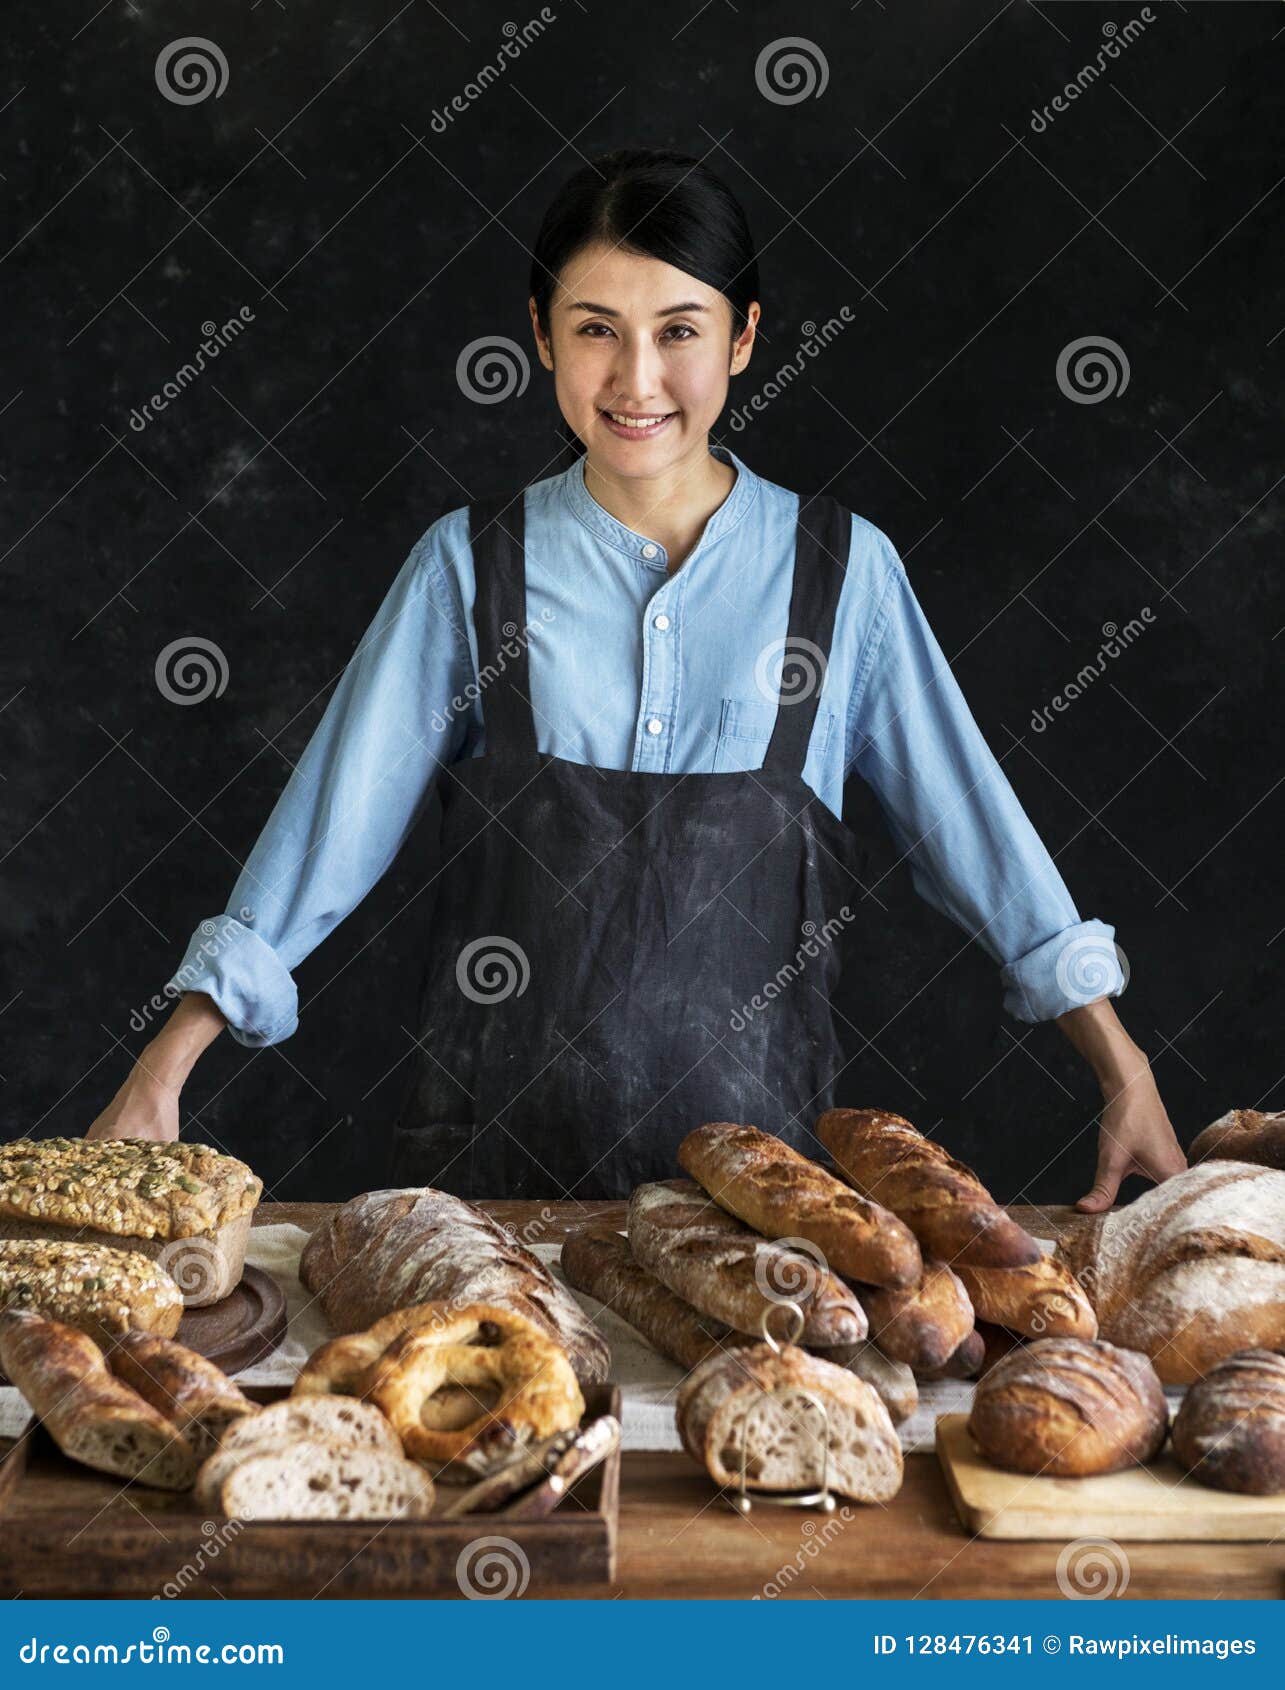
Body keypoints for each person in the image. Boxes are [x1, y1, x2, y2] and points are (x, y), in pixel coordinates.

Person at [88, 147, 1186, 1209]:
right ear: (540, 336)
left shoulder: (841, 574)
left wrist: (1119, 1066)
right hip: (491, 1206)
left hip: (756, 1211)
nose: (637, 380)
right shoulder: (470, 568)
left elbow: (972, 827)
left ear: (744, 337)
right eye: (595, 331)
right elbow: (332, 825)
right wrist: (168, 1061)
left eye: (679, 331)